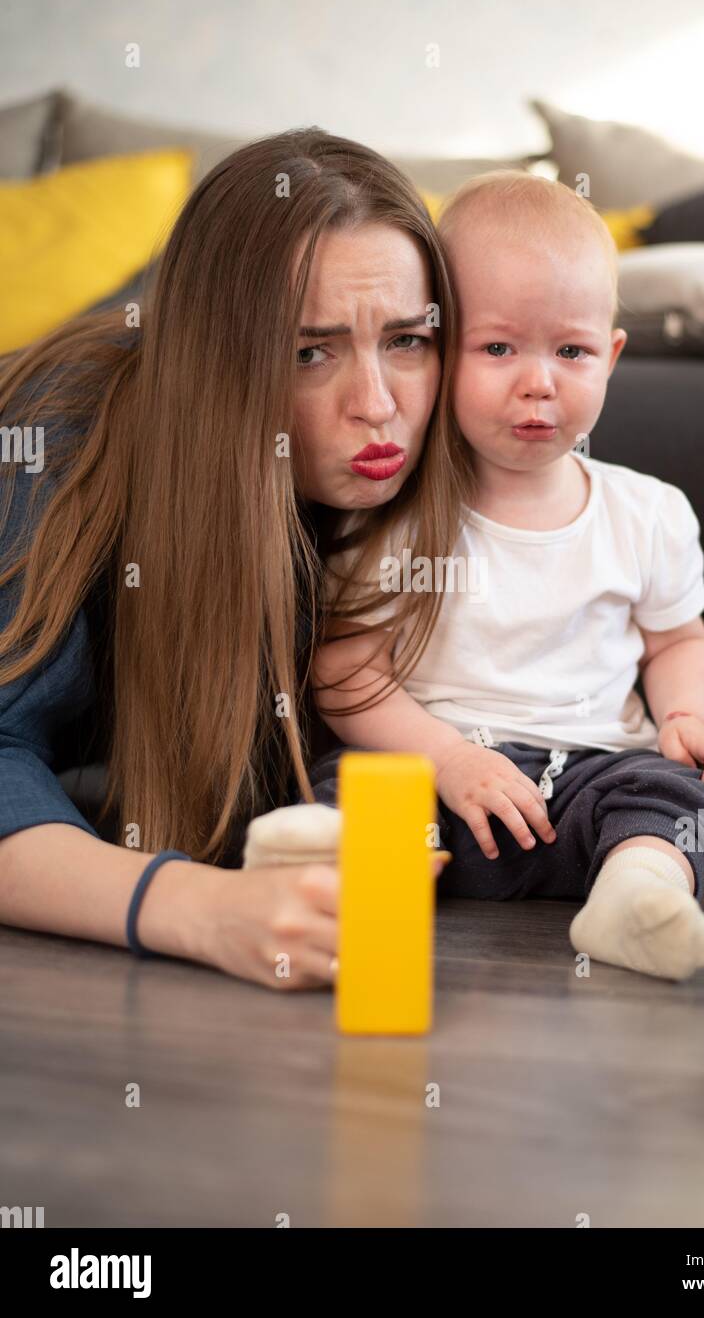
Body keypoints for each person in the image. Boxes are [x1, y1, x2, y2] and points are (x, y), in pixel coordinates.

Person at [0, 127, 472, 990]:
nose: (377, 406)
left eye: (406, 339)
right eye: (308, 351)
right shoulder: (53, 441)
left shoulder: (477, 424)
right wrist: (197, 910)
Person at [310, 172, 704, 982]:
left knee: (679, 800)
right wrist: (447, 758)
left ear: (610, 355)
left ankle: (636, 891)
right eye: (498, 348)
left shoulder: (645, 514)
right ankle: (363, 902)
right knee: (346, 789)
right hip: (437, 771)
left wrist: (685, 717)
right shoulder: (392, 513)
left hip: (590, 776)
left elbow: (677, 638)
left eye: (570, 351)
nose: (537, 381)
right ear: (439, 351)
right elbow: (343, 672)